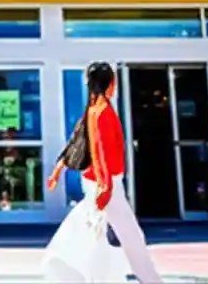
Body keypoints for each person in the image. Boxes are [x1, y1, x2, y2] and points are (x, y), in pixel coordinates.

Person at [46, 62, 162, 283]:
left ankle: (73, 270)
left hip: (100, 182)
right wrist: (106, 186)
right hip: (107, 183)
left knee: (96, 236)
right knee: (130, 236)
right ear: (110, 83)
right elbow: (99, 151)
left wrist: (59, 169)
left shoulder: (94, 109)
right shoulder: (101, 112)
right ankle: (151, 280)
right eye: (114, 80)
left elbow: (78, 141)